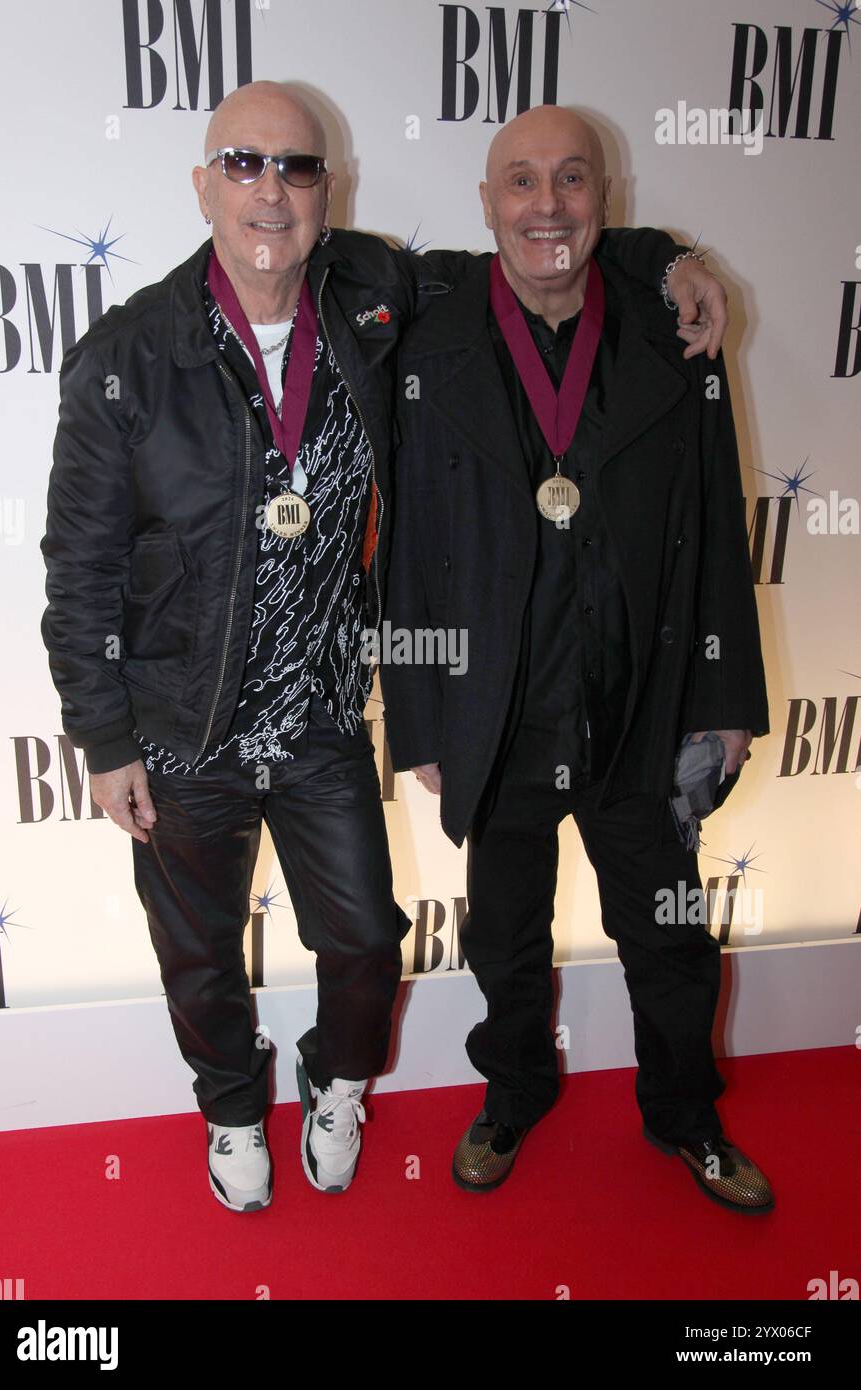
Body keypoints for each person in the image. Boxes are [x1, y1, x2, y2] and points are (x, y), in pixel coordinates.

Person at [40, 81, 728, 1213]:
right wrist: (103, 733)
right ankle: (226, 1107)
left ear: (328, 191)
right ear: (204, 182)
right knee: (201, 951)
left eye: (299, 168)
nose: (273, 189)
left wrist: (670, 259)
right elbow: (79, 568)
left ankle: (336, 1082)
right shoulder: (129, 353)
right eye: (246, 164)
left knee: (365, 941)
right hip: (180, 725)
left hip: (317, 719)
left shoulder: (375, 294)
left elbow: (543, 248)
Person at [381, 106, 773, 1213]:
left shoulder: (671, 335)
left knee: (673, 940)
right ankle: (512, 1096)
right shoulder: (433, 332)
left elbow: (714, 528)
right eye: (520, 183)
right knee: (503, 935)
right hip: (498, 707)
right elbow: (405, 549)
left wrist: (724, 694)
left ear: (605, 197)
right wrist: (421, 721)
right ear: (487, 204)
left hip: (638, 703)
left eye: (569, 181)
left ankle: (687, 1116)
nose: (545, 206)